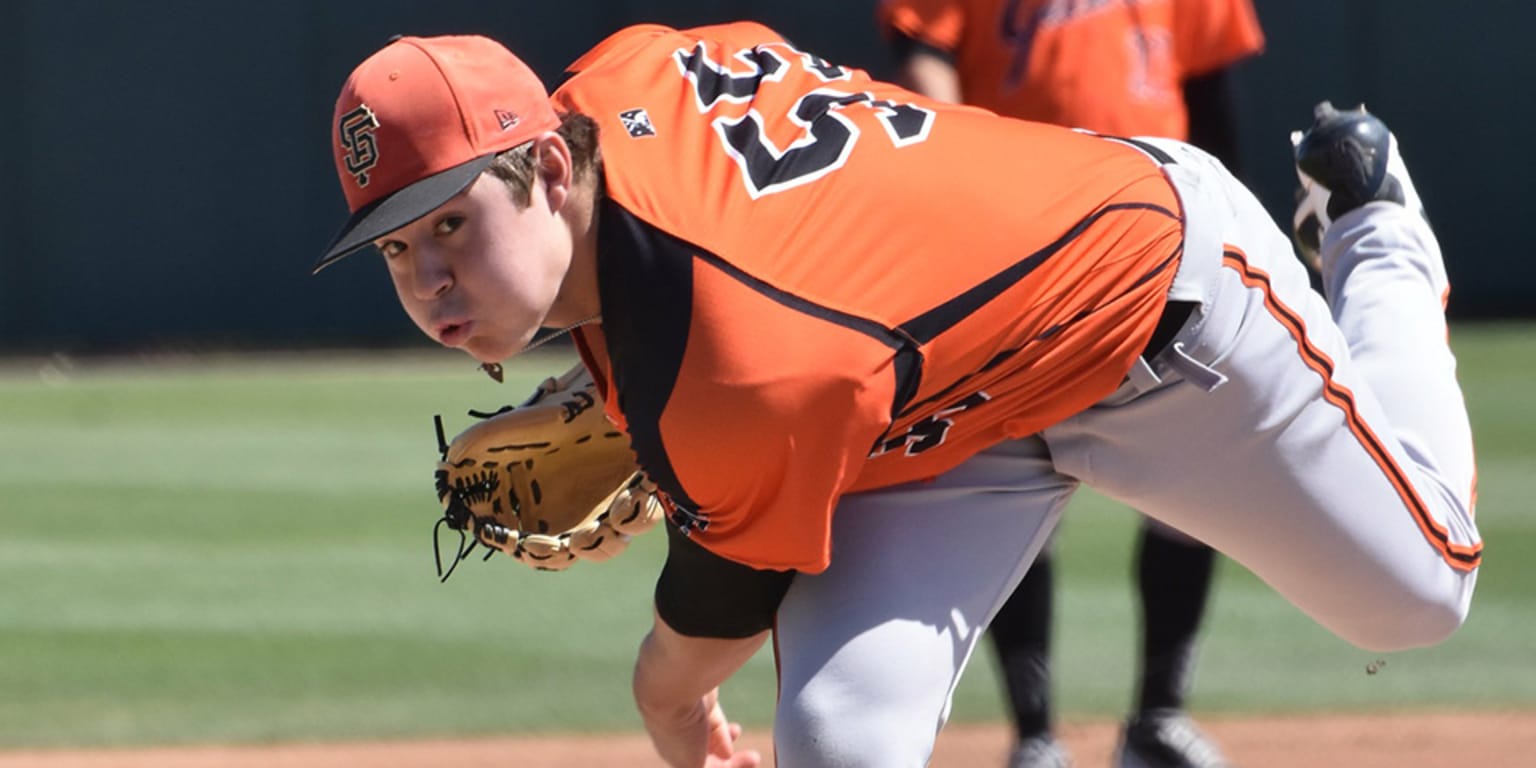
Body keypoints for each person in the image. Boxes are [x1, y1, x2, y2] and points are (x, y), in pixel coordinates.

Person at [314, 23, 1482, 768]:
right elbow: (714, 249)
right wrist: (633, 389)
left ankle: (1374, 223)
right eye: (395, 252)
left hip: (1150, 307)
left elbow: (706, 624)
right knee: (837, 744)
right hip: (937, 408)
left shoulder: (735, 376)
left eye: (453, 224)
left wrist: (665, 710)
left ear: (552, 166)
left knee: (1418, 597)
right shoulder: (624, 72)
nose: (429, 279)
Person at [874, 1, 1265, 765]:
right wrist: (967, 212)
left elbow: (1211, 95)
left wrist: (1241, 238)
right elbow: (923, 64)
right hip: (1023, 250)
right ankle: (1036, 736)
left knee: (1190, 496)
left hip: (1165, 248)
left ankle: (1157, 718)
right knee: (1015, 489)